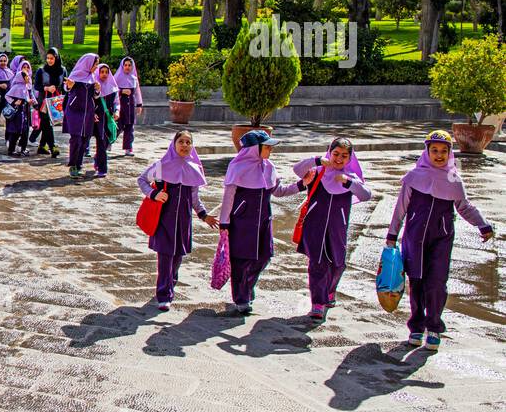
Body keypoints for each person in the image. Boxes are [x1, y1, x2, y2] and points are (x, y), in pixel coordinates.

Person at [385, 130, 494, 351]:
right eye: (434, 150)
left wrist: (483, 225)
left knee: (436, 283)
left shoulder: (453, 179)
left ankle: (434, 327)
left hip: (441, 238)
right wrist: (392, 235)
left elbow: (464, 206)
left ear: (450, 153)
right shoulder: (414, 177)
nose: (439, 155)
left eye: (444, 150)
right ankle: (416, 327)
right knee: (416, 281)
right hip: (414, 237)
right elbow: (400, 208)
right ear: (426, 152)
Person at [219, 131, 304, 315]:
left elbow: (279, 191)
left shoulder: (269, 167)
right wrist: (224, 222)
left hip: (264, 221)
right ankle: (241, 298)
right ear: (253, 149)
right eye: (266, 146)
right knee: (241, 260)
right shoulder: (237, 168)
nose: (270, 150)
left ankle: (248, 287)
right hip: (242, 222)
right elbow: (228, 197)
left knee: (264, 257)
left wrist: (301, 185)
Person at [292, 137, 372, 321]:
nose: (339, 159)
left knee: (338, 263)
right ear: (329, 153)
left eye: (344, 155)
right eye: (335, 154)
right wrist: (316, 160)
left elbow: (366, 195)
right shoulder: (318, 172)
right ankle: (317, 303)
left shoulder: (350, 177)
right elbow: (297, 169)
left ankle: (330, 290)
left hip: (337, 228)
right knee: (317, 263)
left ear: (350, 158)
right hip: (315, 226)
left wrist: (348, 182)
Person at [138, 132, 219, 311]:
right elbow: (142, 180)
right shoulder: (161, 166)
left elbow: (195, 198)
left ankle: (170, 285)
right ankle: (164, 295)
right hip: (163, 220)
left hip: (183, 222)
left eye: (188, 142)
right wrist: (154, 194)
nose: (184, 145)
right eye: (181, 141)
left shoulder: (194, 169)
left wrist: (204, 215)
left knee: (177, 258)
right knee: (165, 258)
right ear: (173, 144)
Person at [62, 53, 98, 178]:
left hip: (88, 112)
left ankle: (79, 165)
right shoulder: (75, 75)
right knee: (76, 139)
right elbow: (67, 87)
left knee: (85, 139)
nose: (96, 67)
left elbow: (95, 96)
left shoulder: (93, 77)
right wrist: (69, 86)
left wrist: (97, 90)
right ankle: (72, 165)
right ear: (88, 63)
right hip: (75, 111)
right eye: (95, 64)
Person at [32, 48, 64, 158]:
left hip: (56, 101)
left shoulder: (62, 70)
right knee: (46, 123)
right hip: (44, 101)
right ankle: (52, 146)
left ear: (56, 58)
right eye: (48, 58)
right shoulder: (41, 70)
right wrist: (46, 88)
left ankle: (41, 146)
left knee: (48, 124)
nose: (49, 60)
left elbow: (64, 85)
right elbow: (36, 86)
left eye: (52, 58)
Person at [90, 63, 120, 178]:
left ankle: (98, 158)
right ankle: (102, 169)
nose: (104, 74)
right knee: (101, 142)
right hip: (98, 119)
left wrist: (117, 111)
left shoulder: (113, 87)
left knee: (108, 141)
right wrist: (92, 113)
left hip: (109, 118)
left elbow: (116, 102)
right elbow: (91, 102)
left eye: (106, 72)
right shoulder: (94, 86)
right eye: (101, 72)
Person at [4, 60, 37, 157]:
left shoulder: (26, 86)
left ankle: (22, 148)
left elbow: (29, 95)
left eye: (28, 68)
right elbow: (7, 96)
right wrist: (14, 102)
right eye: (25, 76)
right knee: (16, 131)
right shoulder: (17, 86)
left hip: (25, 111)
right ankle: (11, 149)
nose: (27, 77)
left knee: (25, 130)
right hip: (17, 112)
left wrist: (33, 102)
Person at [114, 57, 143, 156]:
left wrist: (139, 104)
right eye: (125, 65)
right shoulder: (117, 77)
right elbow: (111, 89)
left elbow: (137, 92)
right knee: (117, 126)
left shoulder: (134, 78)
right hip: (120, 106)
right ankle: (108, 143)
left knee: (130, 127)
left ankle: (128, 148)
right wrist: (121, 91)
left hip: (130, 106)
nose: (127, 67)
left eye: (129, 65)